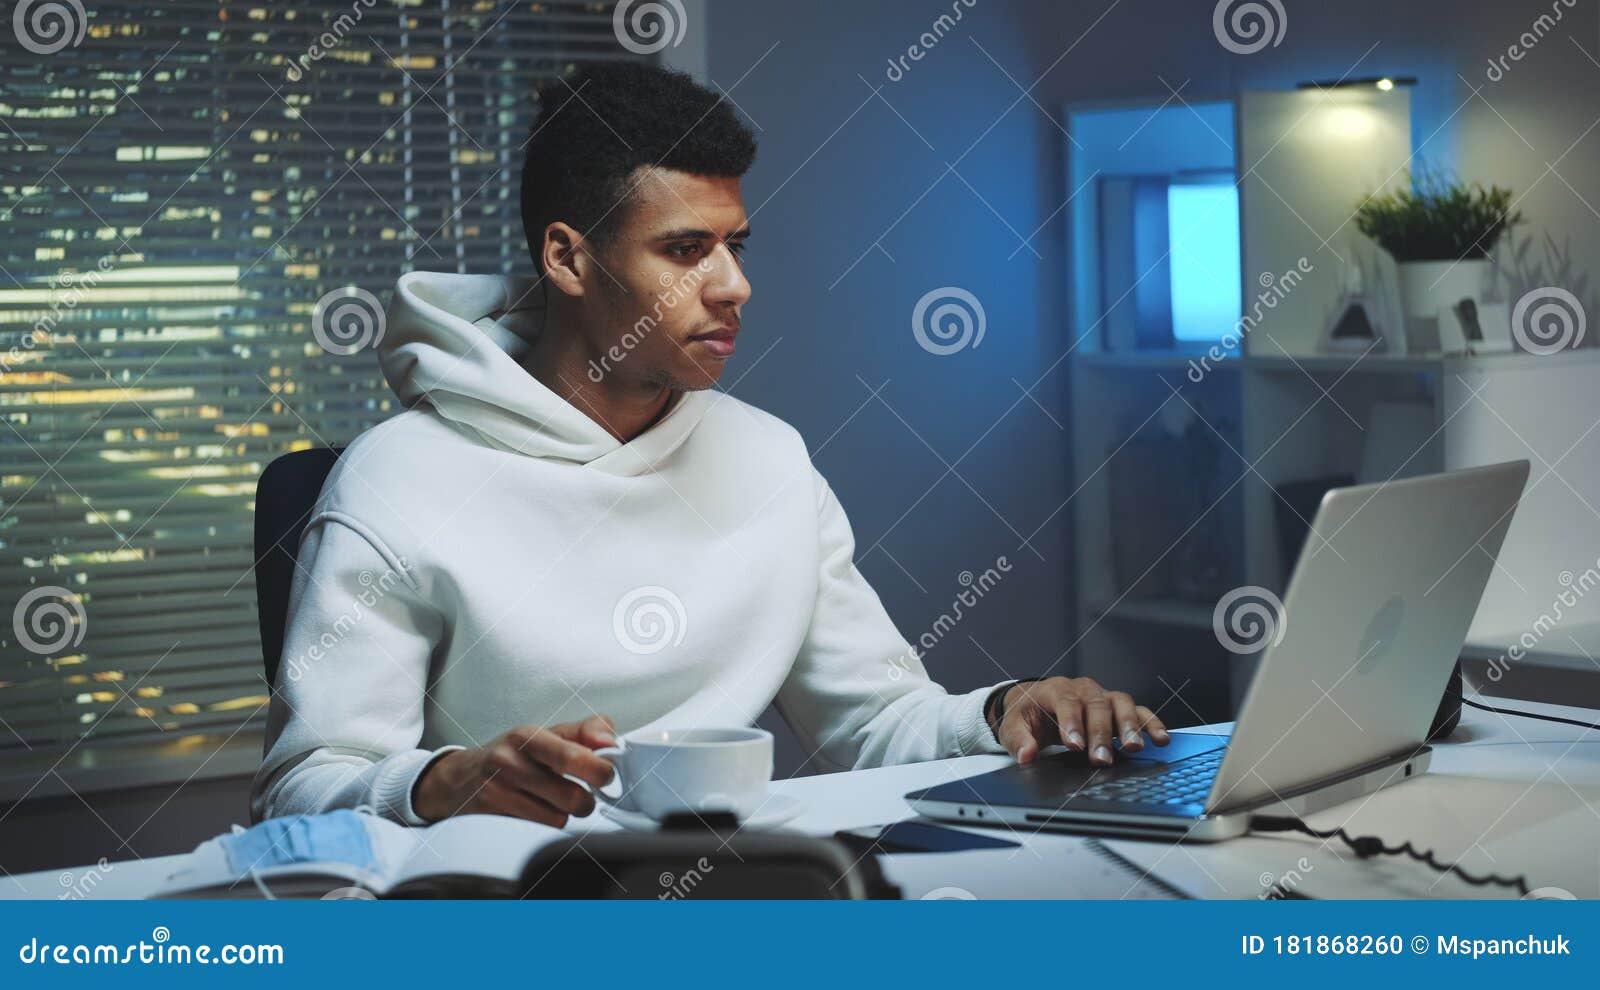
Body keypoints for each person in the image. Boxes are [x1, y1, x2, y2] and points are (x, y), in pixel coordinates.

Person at [251, 62, 1169, 827]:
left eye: (736, 245)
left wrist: (1008, 710)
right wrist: (438, 782)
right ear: (568, 259)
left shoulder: (770, 459)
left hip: (740, 894)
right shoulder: (398, 480)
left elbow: (877, 723)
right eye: (686, 249)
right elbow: (304, 787)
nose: (734, 286)